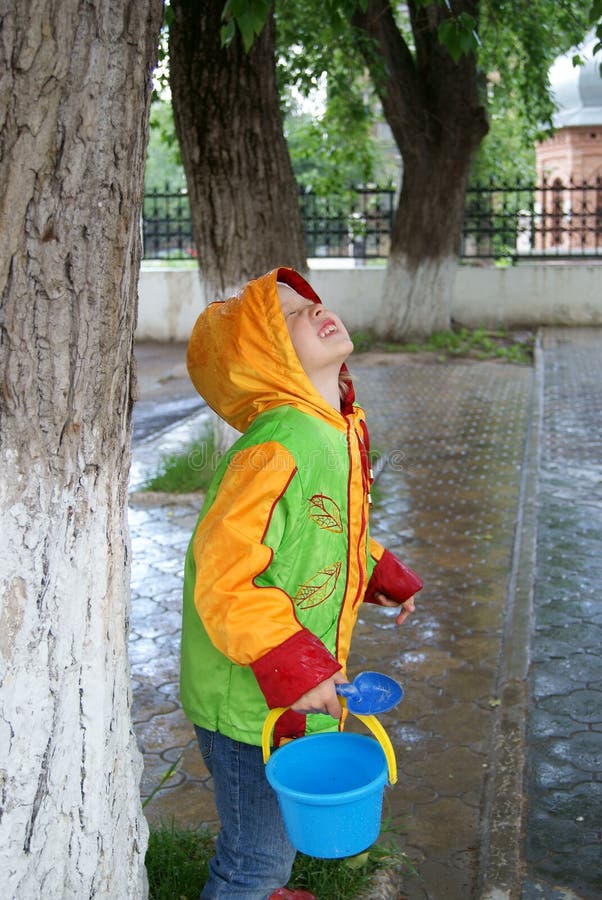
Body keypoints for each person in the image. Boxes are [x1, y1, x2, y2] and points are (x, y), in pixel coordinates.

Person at [181, 267, 422, 900]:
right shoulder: (275, 447)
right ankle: (252, 885)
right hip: (245, 700)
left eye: (308, 303)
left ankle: (267, 880)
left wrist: (383, 575)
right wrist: (295, 663)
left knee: (274, 831)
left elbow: (327, 534)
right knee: (254, 851)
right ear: (265, 360)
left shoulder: (336, 428)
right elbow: (223, 571)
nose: (312, 311)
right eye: (285, 316)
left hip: (293, 681)